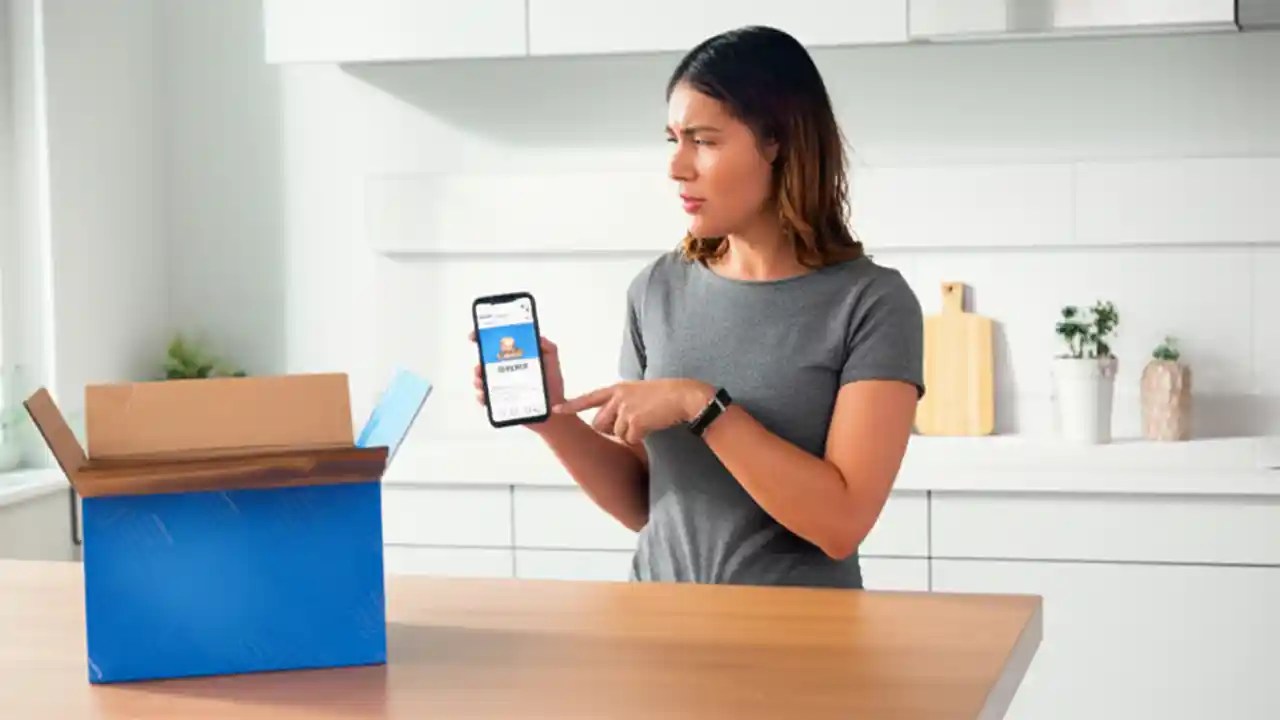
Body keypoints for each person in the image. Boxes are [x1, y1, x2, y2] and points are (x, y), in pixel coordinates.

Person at [472, 25, 924, 589]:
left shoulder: (872, 303)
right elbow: (644, 500)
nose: (677, 166)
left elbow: (841, 522)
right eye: (673, 139)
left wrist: (700, 404)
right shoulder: (656, 289)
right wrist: (551, 419)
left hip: (804, 648)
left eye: (704, 141)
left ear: (778, 143)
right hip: (658, 634)